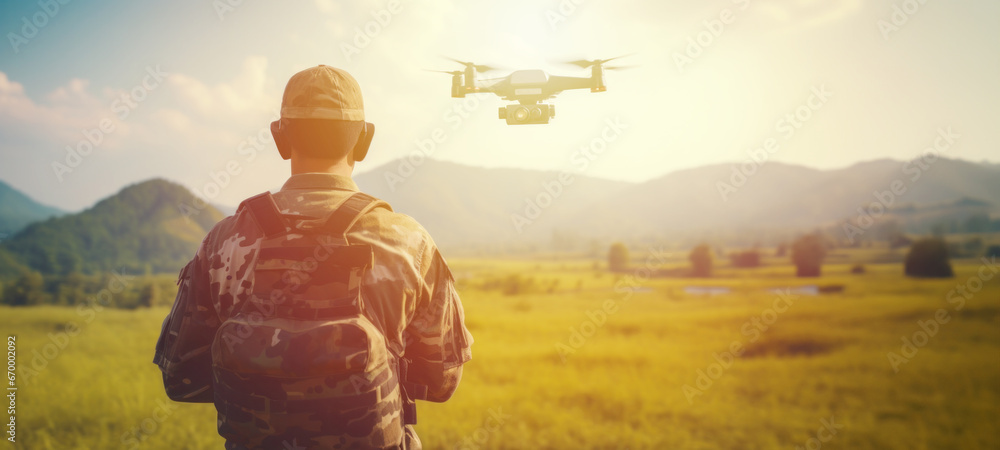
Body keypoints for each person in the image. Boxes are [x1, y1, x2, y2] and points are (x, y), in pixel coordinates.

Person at [153, 65, 473, 449]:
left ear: (279, 136)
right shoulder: (407, 241)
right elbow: (441, 383)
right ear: (365, 138)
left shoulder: (223, 241)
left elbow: (181, 378)